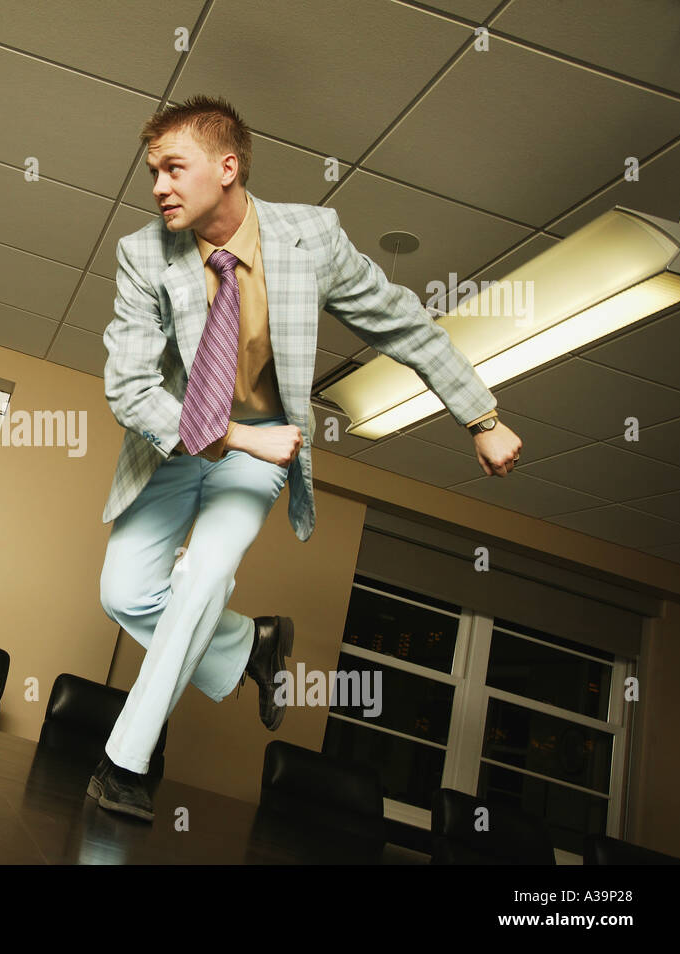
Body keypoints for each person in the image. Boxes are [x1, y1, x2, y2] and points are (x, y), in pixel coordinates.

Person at [91, 95, 523, 822]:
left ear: (227, 167)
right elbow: (129, 388)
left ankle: (122, 767)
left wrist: (481, 414)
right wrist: (236, 435)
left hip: (255, 459)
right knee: (125, 595)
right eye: (153, 172)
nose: (159, 186)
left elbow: (401, 322)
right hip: (177, 443)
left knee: (201, 577)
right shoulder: (143, 256)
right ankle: (248, 643)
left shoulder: (311, 238)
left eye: (174, 167)